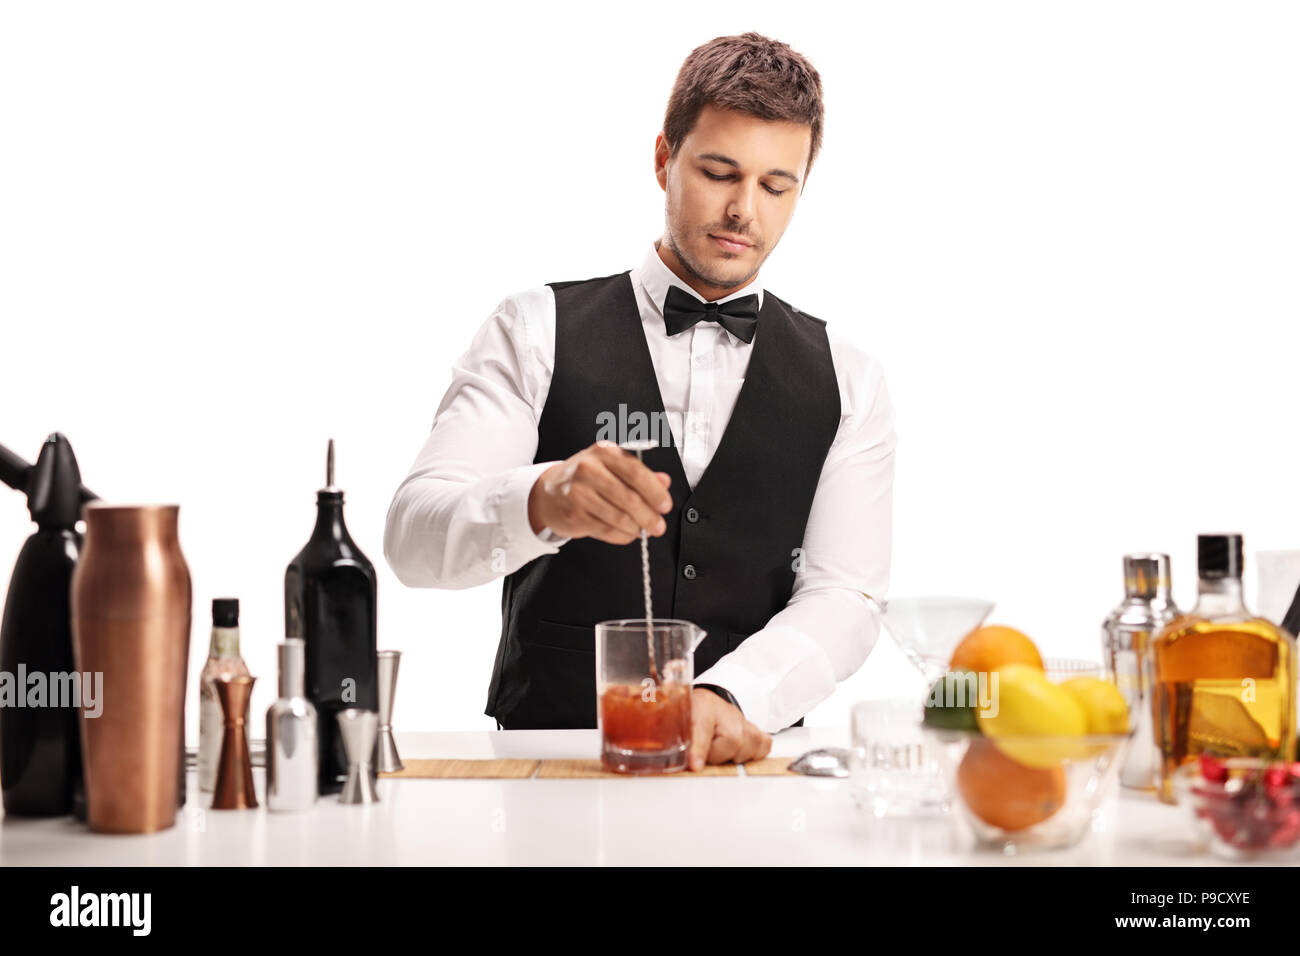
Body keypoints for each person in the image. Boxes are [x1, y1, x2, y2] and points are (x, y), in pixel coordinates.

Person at [385, 32, 896, 770]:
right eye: (718, 172)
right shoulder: (534, 330)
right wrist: (542, 497)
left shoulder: (851, 379)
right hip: (550, 763)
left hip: (745, 775)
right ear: (663, 159)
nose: (743, 211)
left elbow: (846, 596)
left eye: (776, 186)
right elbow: (411, 537)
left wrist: (730, 696)